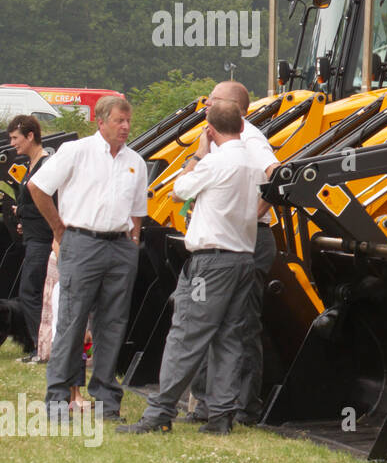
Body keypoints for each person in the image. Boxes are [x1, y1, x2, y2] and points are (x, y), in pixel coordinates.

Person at [118, 100, 264, 435]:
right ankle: (220, 416)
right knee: (229, 338)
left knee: (186, 334)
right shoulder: (253, 163)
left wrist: (199, 154)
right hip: (243, 258)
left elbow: (180, 191)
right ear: (242, 128)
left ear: (210, 131)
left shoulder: (213, 162)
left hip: (210, 263)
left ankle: (160, 411)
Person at [28, 97, 147, 420]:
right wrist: (60, 230)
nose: (125, 127)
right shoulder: (75, 152)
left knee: (113, 323)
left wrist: (132, 242)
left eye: (127, 121)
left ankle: (107, 401)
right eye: (119, 121)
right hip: (82, 241)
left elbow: (138, 211)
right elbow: (37, 186)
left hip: (120, 246)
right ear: (101, 121)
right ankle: (57, 398)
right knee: (72, 320)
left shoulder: (135, 161)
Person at [180, 81, 278, 426]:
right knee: (219, 324)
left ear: (235, 107)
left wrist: (249, 215)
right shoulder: (218, 137)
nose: (206, 105)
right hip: (233, 242)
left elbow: (277, 177)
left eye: (213, 101)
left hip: (247, 241)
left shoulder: (249, 138)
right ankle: (210, 404)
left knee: (240, 326)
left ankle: (243, 407)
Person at [8, 115, 53, 364]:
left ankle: (41, 347)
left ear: (30, 136)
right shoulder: (31, 165)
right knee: (31, 291)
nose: (13, 143)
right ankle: (40, 345)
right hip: (33, 237)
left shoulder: (45, 166)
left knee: (30, 292)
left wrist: (21, 212)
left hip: (42, 242)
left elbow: (46, 204)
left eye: (16, 138)